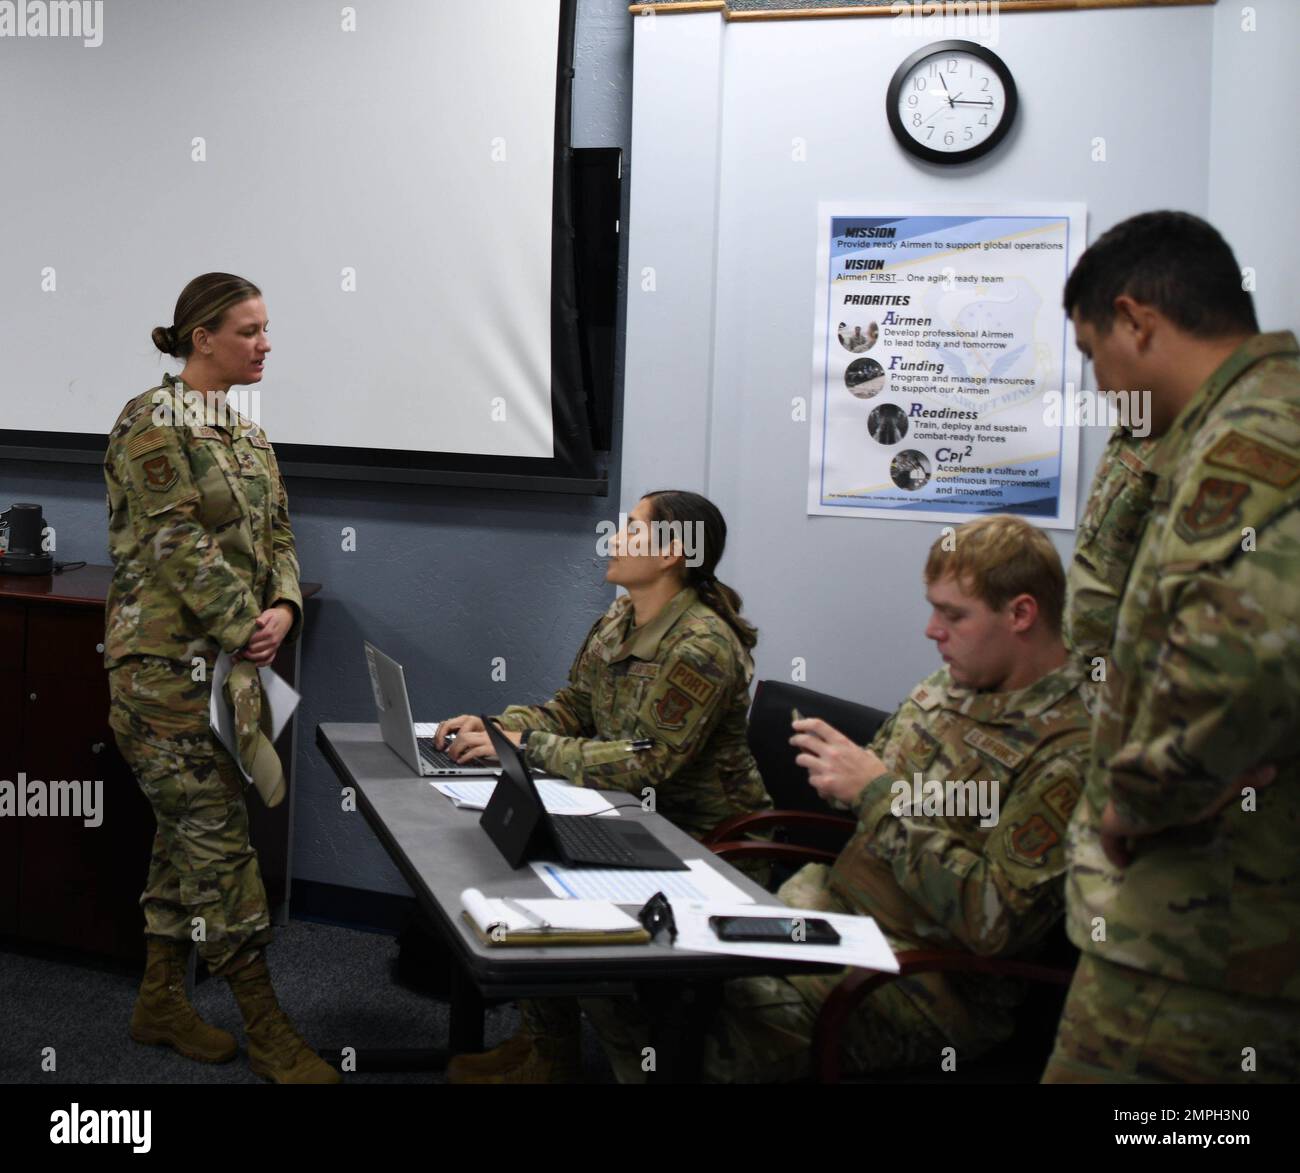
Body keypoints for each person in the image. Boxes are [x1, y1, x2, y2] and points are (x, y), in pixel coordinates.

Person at [582, 514, 1093, 1082]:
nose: (931, 630)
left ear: (1021, 614)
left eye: (953, 615)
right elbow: (905, 793)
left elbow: (993, 923)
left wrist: (875, 793)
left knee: (697, 1023)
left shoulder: (1068, 751)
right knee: (629, 968)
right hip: (830, 914)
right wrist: (848, 776)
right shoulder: (950, 684)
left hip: (922, 982)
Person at [1045, 211, 1300, 1083]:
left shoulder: (1253, 440)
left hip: (1209, 923)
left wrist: (1140, 798)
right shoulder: (1243, 420)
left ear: (1137, 320)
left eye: (1092, 355)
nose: (1101, 384)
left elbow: (1245, 661)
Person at [436, 489, 773, 1081]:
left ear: (673, 553)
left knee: (570, 917)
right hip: (630, 816)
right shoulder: (621, 617)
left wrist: (525, 746)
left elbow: (648, 763)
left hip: (703, 843)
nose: (613, 540)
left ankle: (633, 1064)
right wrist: (500, 727)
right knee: (522, 868)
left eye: (632, 530)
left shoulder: (702, 645)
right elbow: (573, 709)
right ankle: (548, 1048)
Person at [105, 272, 338, 1084]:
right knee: (221, 846)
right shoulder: (150, 422)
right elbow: (176, 545)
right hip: (162, 680)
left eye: (267, 327)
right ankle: (269, 1029)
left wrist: (281, 606)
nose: (266, 343)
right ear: (201, 338)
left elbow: (279, 532)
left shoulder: (246, 435)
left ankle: (160, 1000)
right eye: (249, 330)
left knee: (186, 838)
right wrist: (247, 624)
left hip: (229, 676)